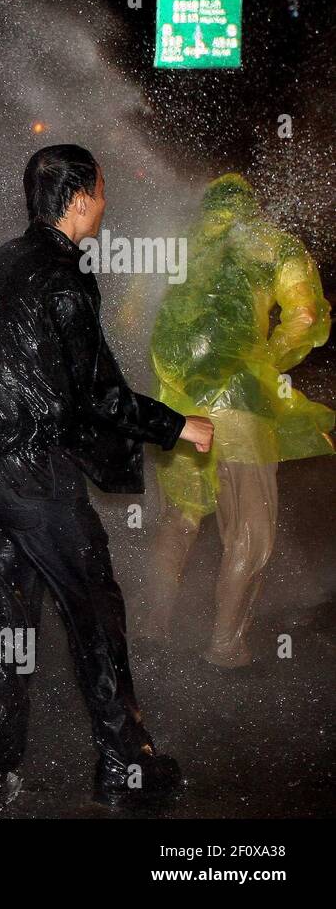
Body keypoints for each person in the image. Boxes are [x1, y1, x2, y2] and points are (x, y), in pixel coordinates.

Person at [0, 144, 214, 807]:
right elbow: (98, 393)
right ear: (82, 197)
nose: (106, 201)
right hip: (32, 479)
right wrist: (178, 426)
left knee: (5, 623)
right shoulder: (65, 275)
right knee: (95, 618)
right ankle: (128, 775)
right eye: (103, 187)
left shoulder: (1, 260)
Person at [147, 174, 333, 668]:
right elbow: (306, 315)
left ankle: (150, 632)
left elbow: (131, 315)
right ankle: (225, 646)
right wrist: (265, 358)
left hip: (174, 404)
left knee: (179, 519)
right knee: (250, 531)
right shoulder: (270, 242)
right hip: (238, 404)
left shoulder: (176, 243)